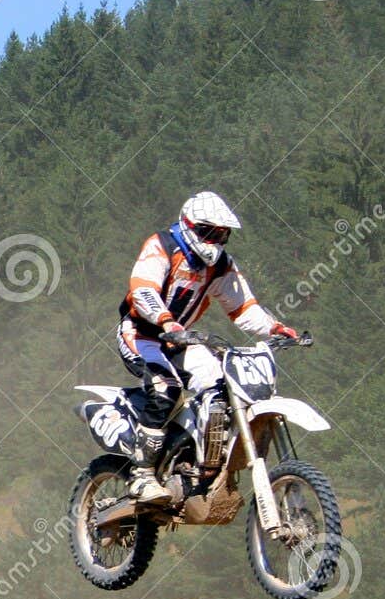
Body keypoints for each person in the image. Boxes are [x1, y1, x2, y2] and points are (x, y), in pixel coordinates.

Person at [116, 191, 298, 502]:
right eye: (210, 232)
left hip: (181, 339)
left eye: (222, 235)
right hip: (141, 334)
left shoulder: (220, 265)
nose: (215, 241)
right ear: (190, 226)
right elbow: (142, 290)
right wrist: (165, 320)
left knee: (220, 385)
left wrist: (275, 327)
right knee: (166, 388)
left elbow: (242, 308)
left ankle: (199, 459)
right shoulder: (162, 245)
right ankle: (141, 475)